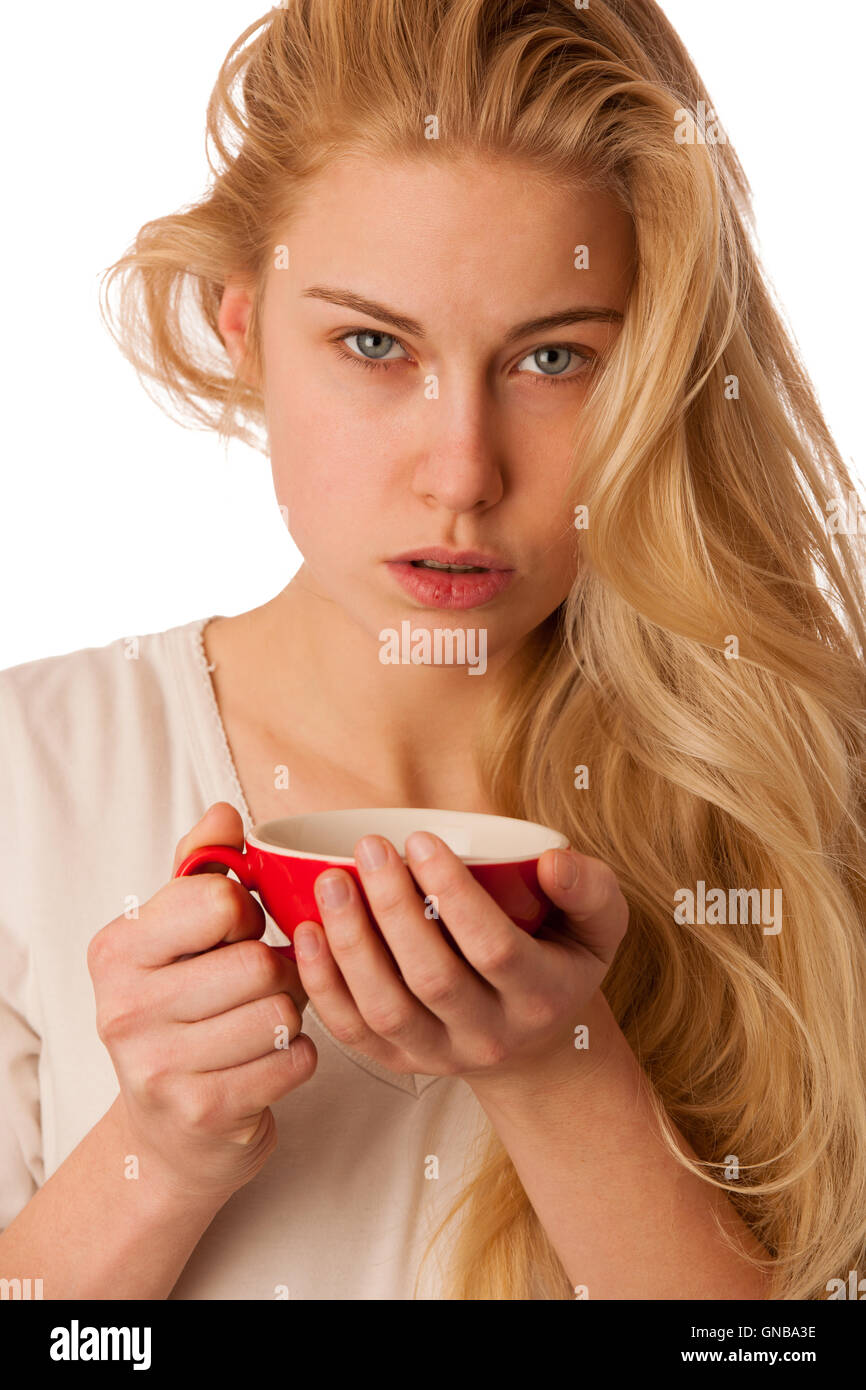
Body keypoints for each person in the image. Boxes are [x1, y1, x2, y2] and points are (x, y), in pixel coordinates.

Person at [1, 0, 864, 1301]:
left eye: (553, 357)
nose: (460, 473)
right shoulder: (30, 775)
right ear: (241, 329)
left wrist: (559, 1069)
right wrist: (159, 1151)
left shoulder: (804, 792)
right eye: (371, 344)